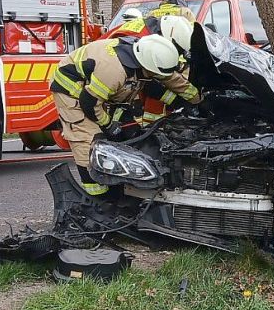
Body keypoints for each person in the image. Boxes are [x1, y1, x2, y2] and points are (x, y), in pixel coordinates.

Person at [49, 34, 200, 195]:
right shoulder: (113, 71)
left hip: (95, 89)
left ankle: (123, 180)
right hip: (71, 91)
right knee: (90, 141)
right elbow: (89, 103)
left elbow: (168, 80)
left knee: (131, 132)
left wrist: (196, 100)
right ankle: (98, 197)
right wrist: (108, 125)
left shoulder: (145, 55)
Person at [106, 14, 199, 125]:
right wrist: (194, 99)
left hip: (112, 70)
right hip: (101, 77)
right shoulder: (144, 42)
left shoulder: (151, 29)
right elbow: (166, 77)